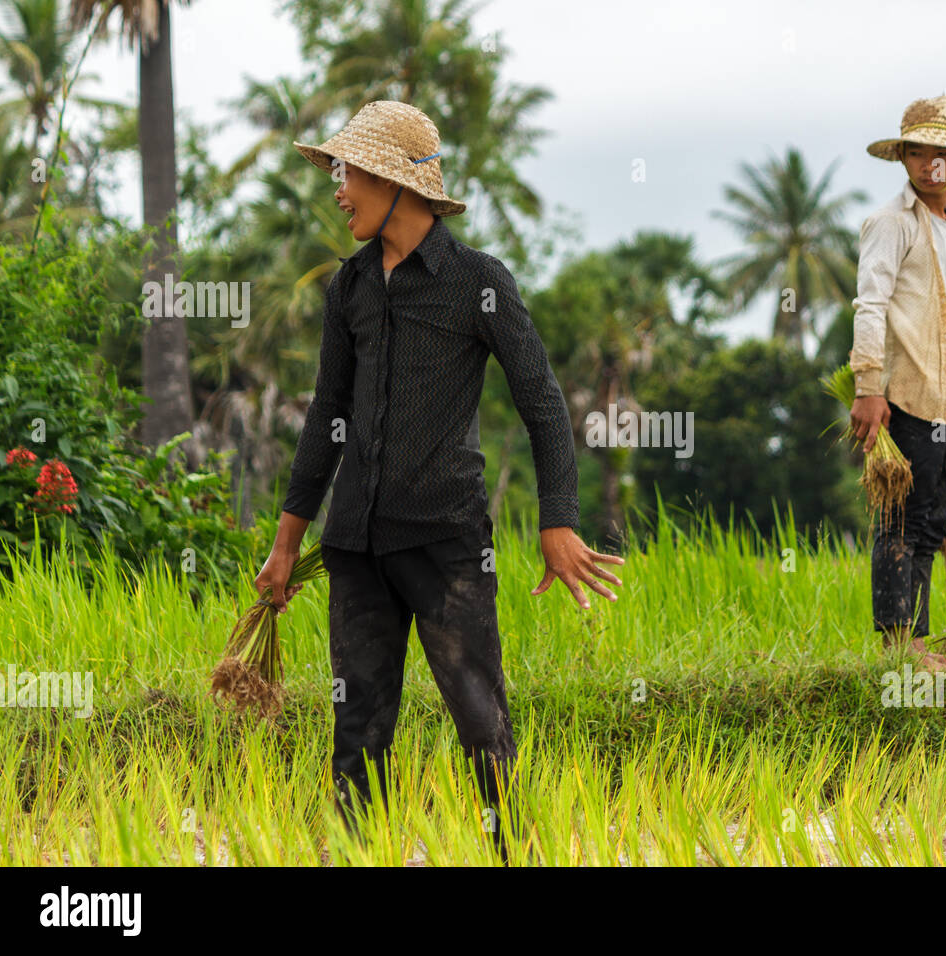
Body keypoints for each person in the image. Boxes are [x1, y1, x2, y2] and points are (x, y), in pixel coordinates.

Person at [253, 101, 624, 862]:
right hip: (355, 544)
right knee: (357, 728)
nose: (337, 188)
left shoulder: (478, 284)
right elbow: (327, 417)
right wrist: (288, 544)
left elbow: (545, 408)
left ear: (395, 181)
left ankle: (510, 855)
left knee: (479, 720)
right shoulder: (348, 288)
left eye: (347, 171)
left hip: (447, 545)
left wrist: (558, 521)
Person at [848, 94, 946, 673]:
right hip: (911, 393)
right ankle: (897, 647)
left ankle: (918, 642)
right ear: (903, 158)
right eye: (919, 151)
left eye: (942, 152)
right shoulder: (890, 224)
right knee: (900, 520)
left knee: (933, 522)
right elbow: (871, 303)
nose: (931, 162)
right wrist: (868, 385)